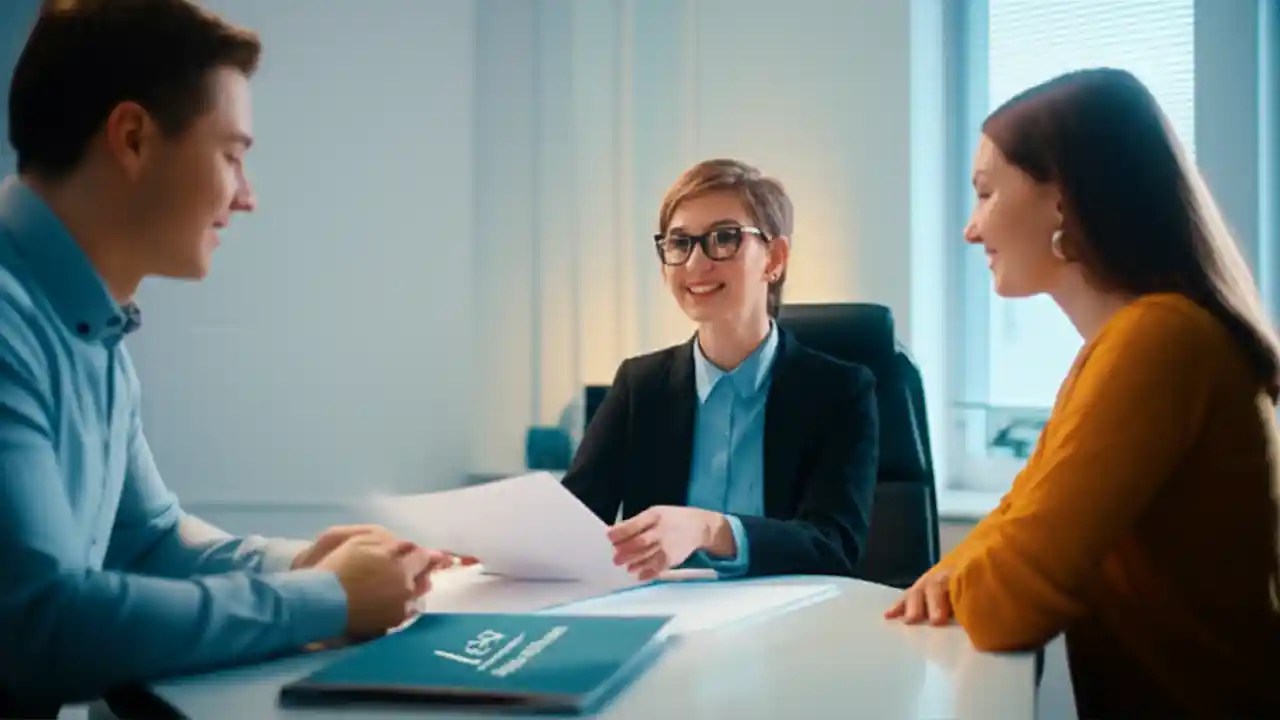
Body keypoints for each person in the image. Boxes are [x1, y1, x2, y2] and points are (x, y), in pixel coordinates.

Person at [0, 2, 451, 715]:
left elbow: (145, 541)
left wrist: (305, 563)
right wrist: (326, 598)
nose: (247, 198)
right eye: (232, 155)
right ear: (133, 138)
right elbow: (39, 627)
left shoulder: (90, 325)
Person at [884, 68, 1280, 716]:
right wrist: (965, 569)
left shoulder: (1159, 342)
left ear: (1063, 200)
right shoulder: (1126, 343)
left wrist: (968, 575)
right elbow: (1014, 519)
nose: (971, 229)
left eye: (985, 194)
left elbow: (1014, 596)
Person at [563, 158, 879, 581]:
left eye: (724, 238)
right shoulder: (641, 385)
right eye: (680, 243)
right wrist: (483, 553)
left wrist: (710, 529)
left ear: (775, 258)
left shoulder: (840, 391)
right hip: (663, 619)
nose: (696, 264)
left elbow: (835, 544)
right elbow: (573, 520)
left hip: (786, 622)